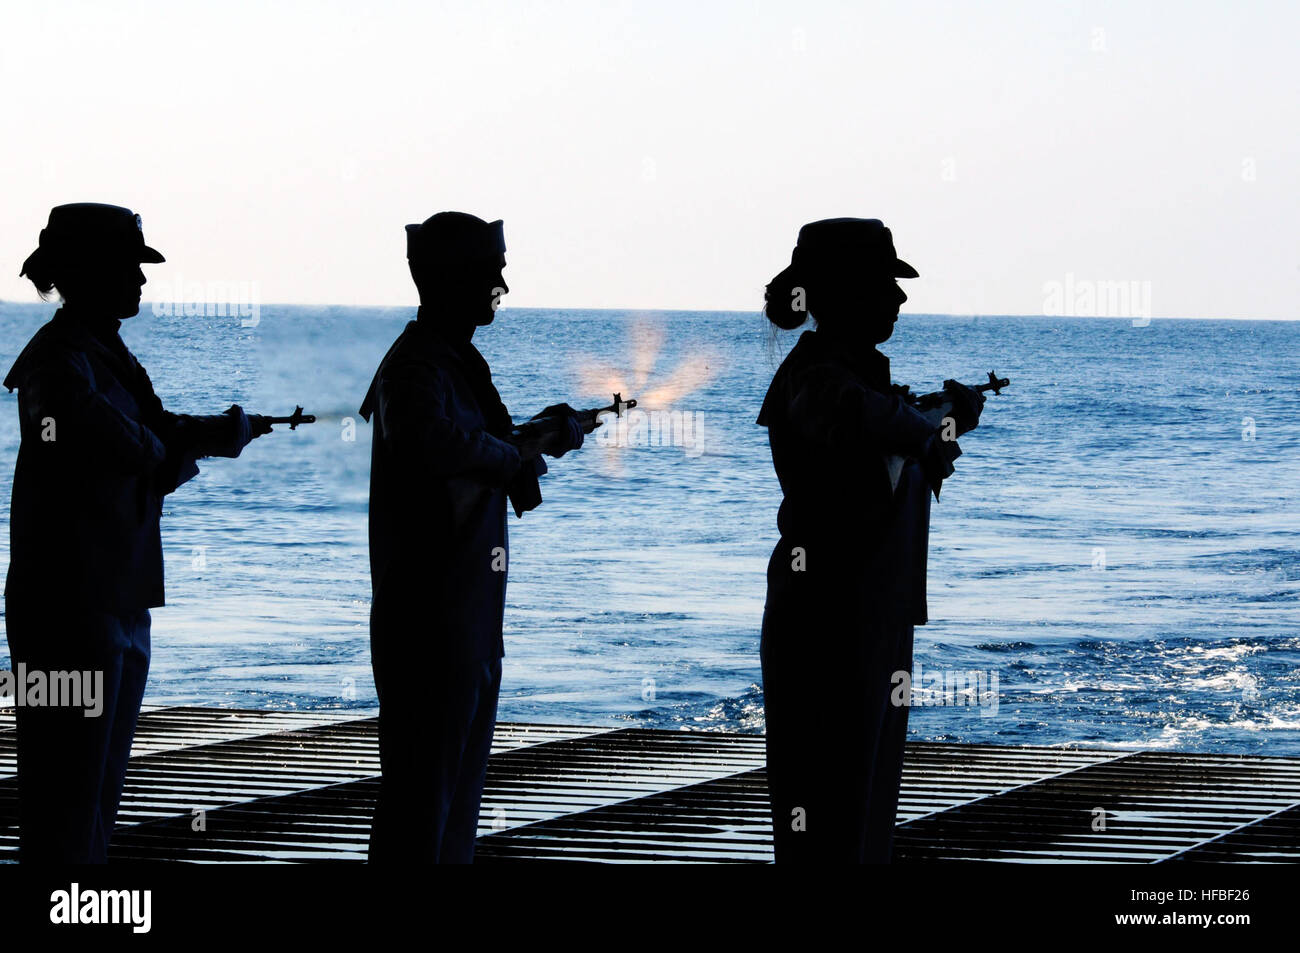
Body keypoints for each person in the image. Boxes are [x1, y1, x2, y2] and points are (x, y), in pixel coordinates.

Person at [3, 203, 272, 863]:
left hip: (120, 597)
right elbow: (128, 443)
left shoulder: (111, 357)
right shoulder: (55, 364)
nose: (142, 281)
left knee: (94, 802)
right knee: (64, 801)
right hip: (69, 607)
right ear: (86, 272)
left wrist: (207, 435)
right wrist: (202, 438)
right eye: (129, 266)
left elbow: (153, 442)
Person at [757, 218, 985, 863]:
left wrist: (934, 422)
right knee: (830, 809)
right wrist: (946, 418)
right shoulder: (823, 380)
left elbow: (898, 434)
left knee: (862, 810)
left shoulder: (846, 380)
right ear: (844, 292)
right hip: (832, 614)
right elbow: (886, 429)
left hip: (871, 612)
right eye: (884, 283)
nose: (898, 298)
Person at [359, 211, 582, 864]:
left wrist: (538, 437)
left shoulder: (452, 365)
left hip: (468, 625)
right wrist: (511, 457)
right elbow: (433, 444)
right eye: (490, 271)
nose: (502, 284)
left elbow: (484, 447)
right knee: (419, 812)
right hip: (429, 628)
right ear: (450, 278)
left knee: (452, 814)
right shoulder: (415, 369)